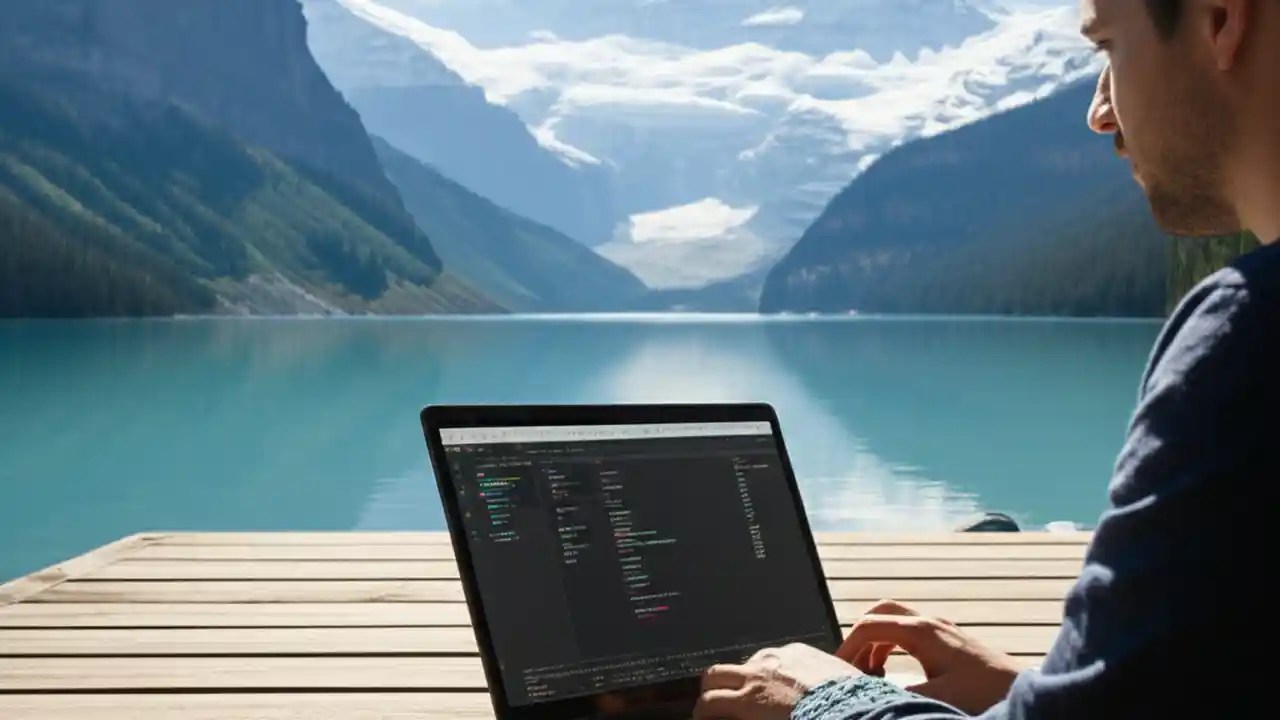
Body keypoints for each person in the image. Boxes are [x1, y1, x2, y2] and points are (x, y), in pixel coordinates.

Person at [695, 0, 1279, 717]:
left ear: (1221, 19)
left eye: (1109, 48)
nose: (1100, 112)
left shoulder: (1250, 342)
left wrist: (830, 701)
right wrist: (1046, 691)